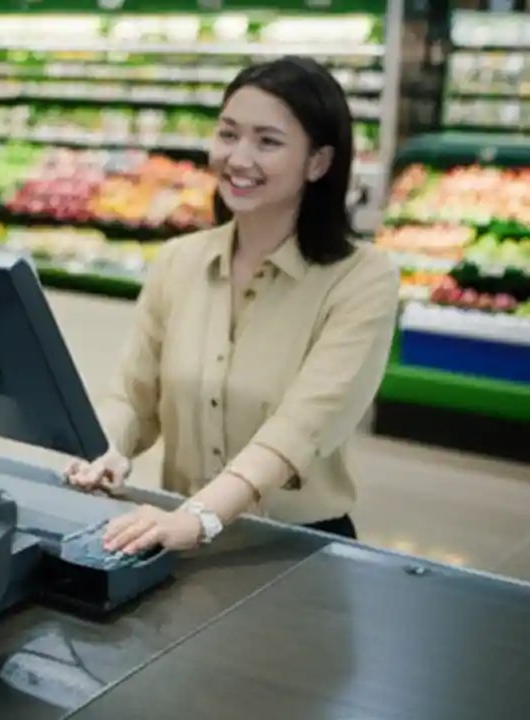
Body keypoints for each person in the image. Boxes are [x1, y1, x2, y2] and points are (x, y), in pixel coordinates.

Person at [64, 57, 400, 556]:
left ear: (318, 162)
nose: (238, 158)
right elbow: (132, 397)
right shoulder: (179, 261)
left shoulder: (362, 279)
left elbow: (298, 429)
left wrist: (201, 517)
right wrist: (107, 448)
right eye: (228, 134)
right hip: (171, 534)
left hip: (296, 548)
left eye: (268, 141)